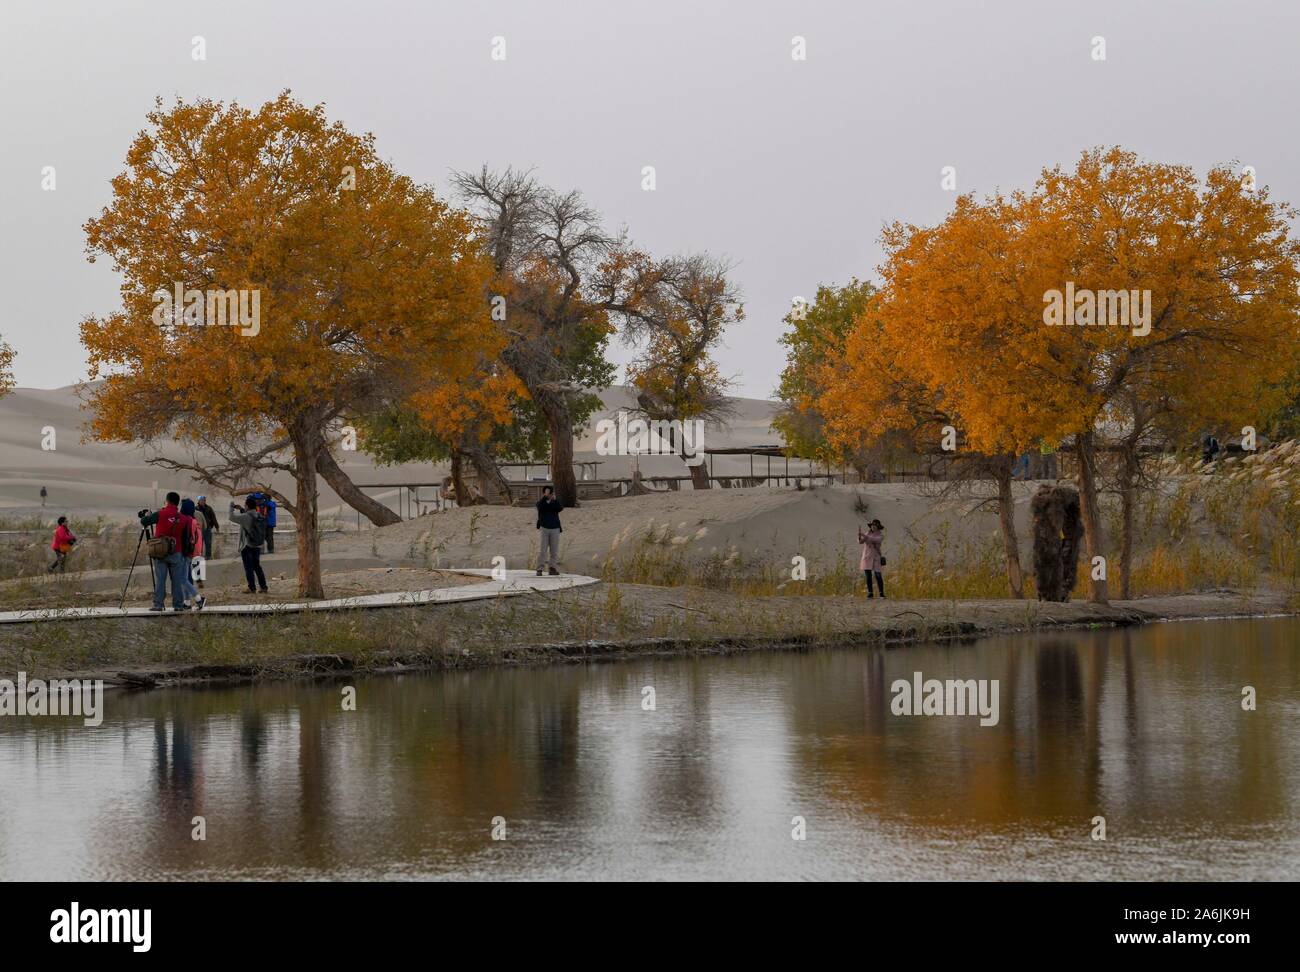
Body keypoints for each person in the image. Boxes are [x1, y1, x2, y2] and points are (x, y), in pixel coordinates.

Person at [139, 491, 194, 612]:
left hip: (160, 552)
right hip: (177, 552)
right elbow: (187, 537)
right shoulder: (184, 519)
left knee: (160, 579)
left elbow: (144, 521)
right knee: (177, 581)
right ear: (178, 503)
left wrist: (147, 515)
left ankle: (158, 604)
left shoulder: (160, 514)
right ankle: (178, 606)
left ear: (167, 501)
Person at [229, 496, 269, 594]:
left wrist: (231, 507)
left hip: (247, 546)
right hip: (257, 544)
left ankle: (251, 588)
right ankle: (263, 587)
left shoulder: (245, 517)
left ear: (247, 506)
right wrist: (241, 509)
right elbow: (249, 515)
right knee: (257, 566)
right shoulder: (258, 515)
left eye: (245, 505)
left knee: (248, 568)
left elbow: (231, 517)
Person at [178, 499, 207, 610]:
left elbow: (186, 538)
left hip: (187, 553)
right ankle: (187, 602)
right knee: (185, 578)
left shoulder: (187, 521)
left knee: (182, 579)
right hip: (194, 553)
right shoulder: (194, 521)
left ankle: (199, 599)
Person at [535, 485, 563, 576]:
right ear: (544, 493)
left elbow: (560, 508)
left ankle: (552, 568)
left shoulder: (554, 503)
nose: (549, 495)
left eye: (550, 493)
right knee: (543, 550)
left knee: (554, 551)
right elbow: (539, 506)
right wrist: (544, 497)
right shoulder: (541, 503)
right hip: (544, 528)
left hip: (555, 528)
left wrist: (554, 500)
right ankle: (540, 569)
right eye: (547, 493)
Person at [194, 495, 219, 582]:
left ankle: (208, 556)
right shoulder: (195, 508)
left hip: (208, 528)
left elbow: (213, 517)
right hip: (199, 529)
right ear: (199, 501)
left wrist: (217, 526)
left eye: (204, 500)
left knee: (208, 543)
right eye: (202, 500)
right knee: (199, 544)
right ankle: (200, 556)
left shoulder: (209, 508)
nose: (203, 501)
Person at [859, 518, 885, 598]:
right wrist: (859, 536)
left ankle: (881, 593)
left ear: (878, 527)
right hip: (867, 556)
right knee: (868, 575)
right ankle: (870, 593)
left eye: (875, 526)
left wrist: (864, 535)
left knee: (878, 575)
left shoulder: (880, 535)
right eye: (873, 525)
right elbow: (860, 542)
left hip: (876, 556)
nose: (873, 527)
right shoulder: (868, 533)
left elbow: (875, 540)